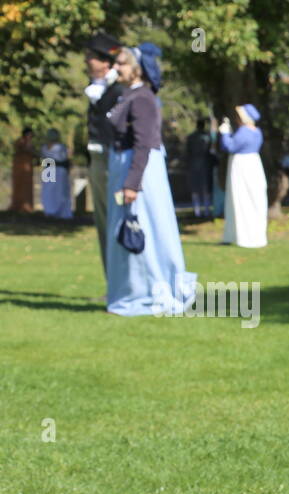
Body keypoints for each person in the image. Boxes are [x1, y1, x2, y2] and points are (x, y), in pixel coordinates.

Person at [104, 43, 196, 316]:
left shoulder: (142, 97)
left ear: (137, 68)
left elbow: (144, 144)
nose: (116, 67)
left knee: (143, 229)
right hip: (128, 166)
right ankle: (132, 292)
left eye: (121, 63)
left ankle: (151, 293)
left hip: (139, 171)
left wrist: (132, 183)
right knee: (130, 230)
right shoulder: (129, 95)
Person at [84, 32, 125, 273]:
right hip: (97, 159)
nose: (86, 61)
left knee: (116, 220)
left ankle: (123, 282)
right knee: (103, 222)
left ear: (105, 62)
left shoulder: (119, 90)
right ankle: (113, 281)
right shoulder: (95, 89)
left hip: (112, 159)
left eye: (90, 57)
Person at [218, 104, 267, 248]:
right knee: (253, 200)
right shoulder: (257, 132)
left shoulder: (245, 131)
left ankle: (245, 236)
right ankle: (249, 234)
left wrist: (225, 134)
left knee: (241, 200)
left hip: (242, 166)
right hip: (253, 164)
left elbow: (230, 147)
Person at [39, 129, 73, 219]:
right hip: (56, 170)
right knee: (57, 191)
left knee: (51, 191)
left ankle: (52, 210)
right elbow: (65, 159)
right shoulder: (60, 147)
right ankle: (54, 211)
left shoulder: (45, 147)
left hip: (51, 169)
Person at [185, 118, 213, 217]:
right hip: (204, 164)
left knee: (195, 188)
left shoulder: (191, 137)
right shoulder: (207, 137)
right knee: (205, 188)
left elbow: (187, 153)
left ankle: (197, 211)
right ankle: (206, 210)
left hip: (194, 165)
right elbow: (209, 151)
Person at [8, 127, 35, 213]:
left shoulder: (30, 143)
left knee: (27, 187)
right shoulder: (20, 142)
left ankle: (27, 205)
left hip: (28, 168)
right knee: (19, 186)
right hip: (20, 167)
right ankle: (18, 205)